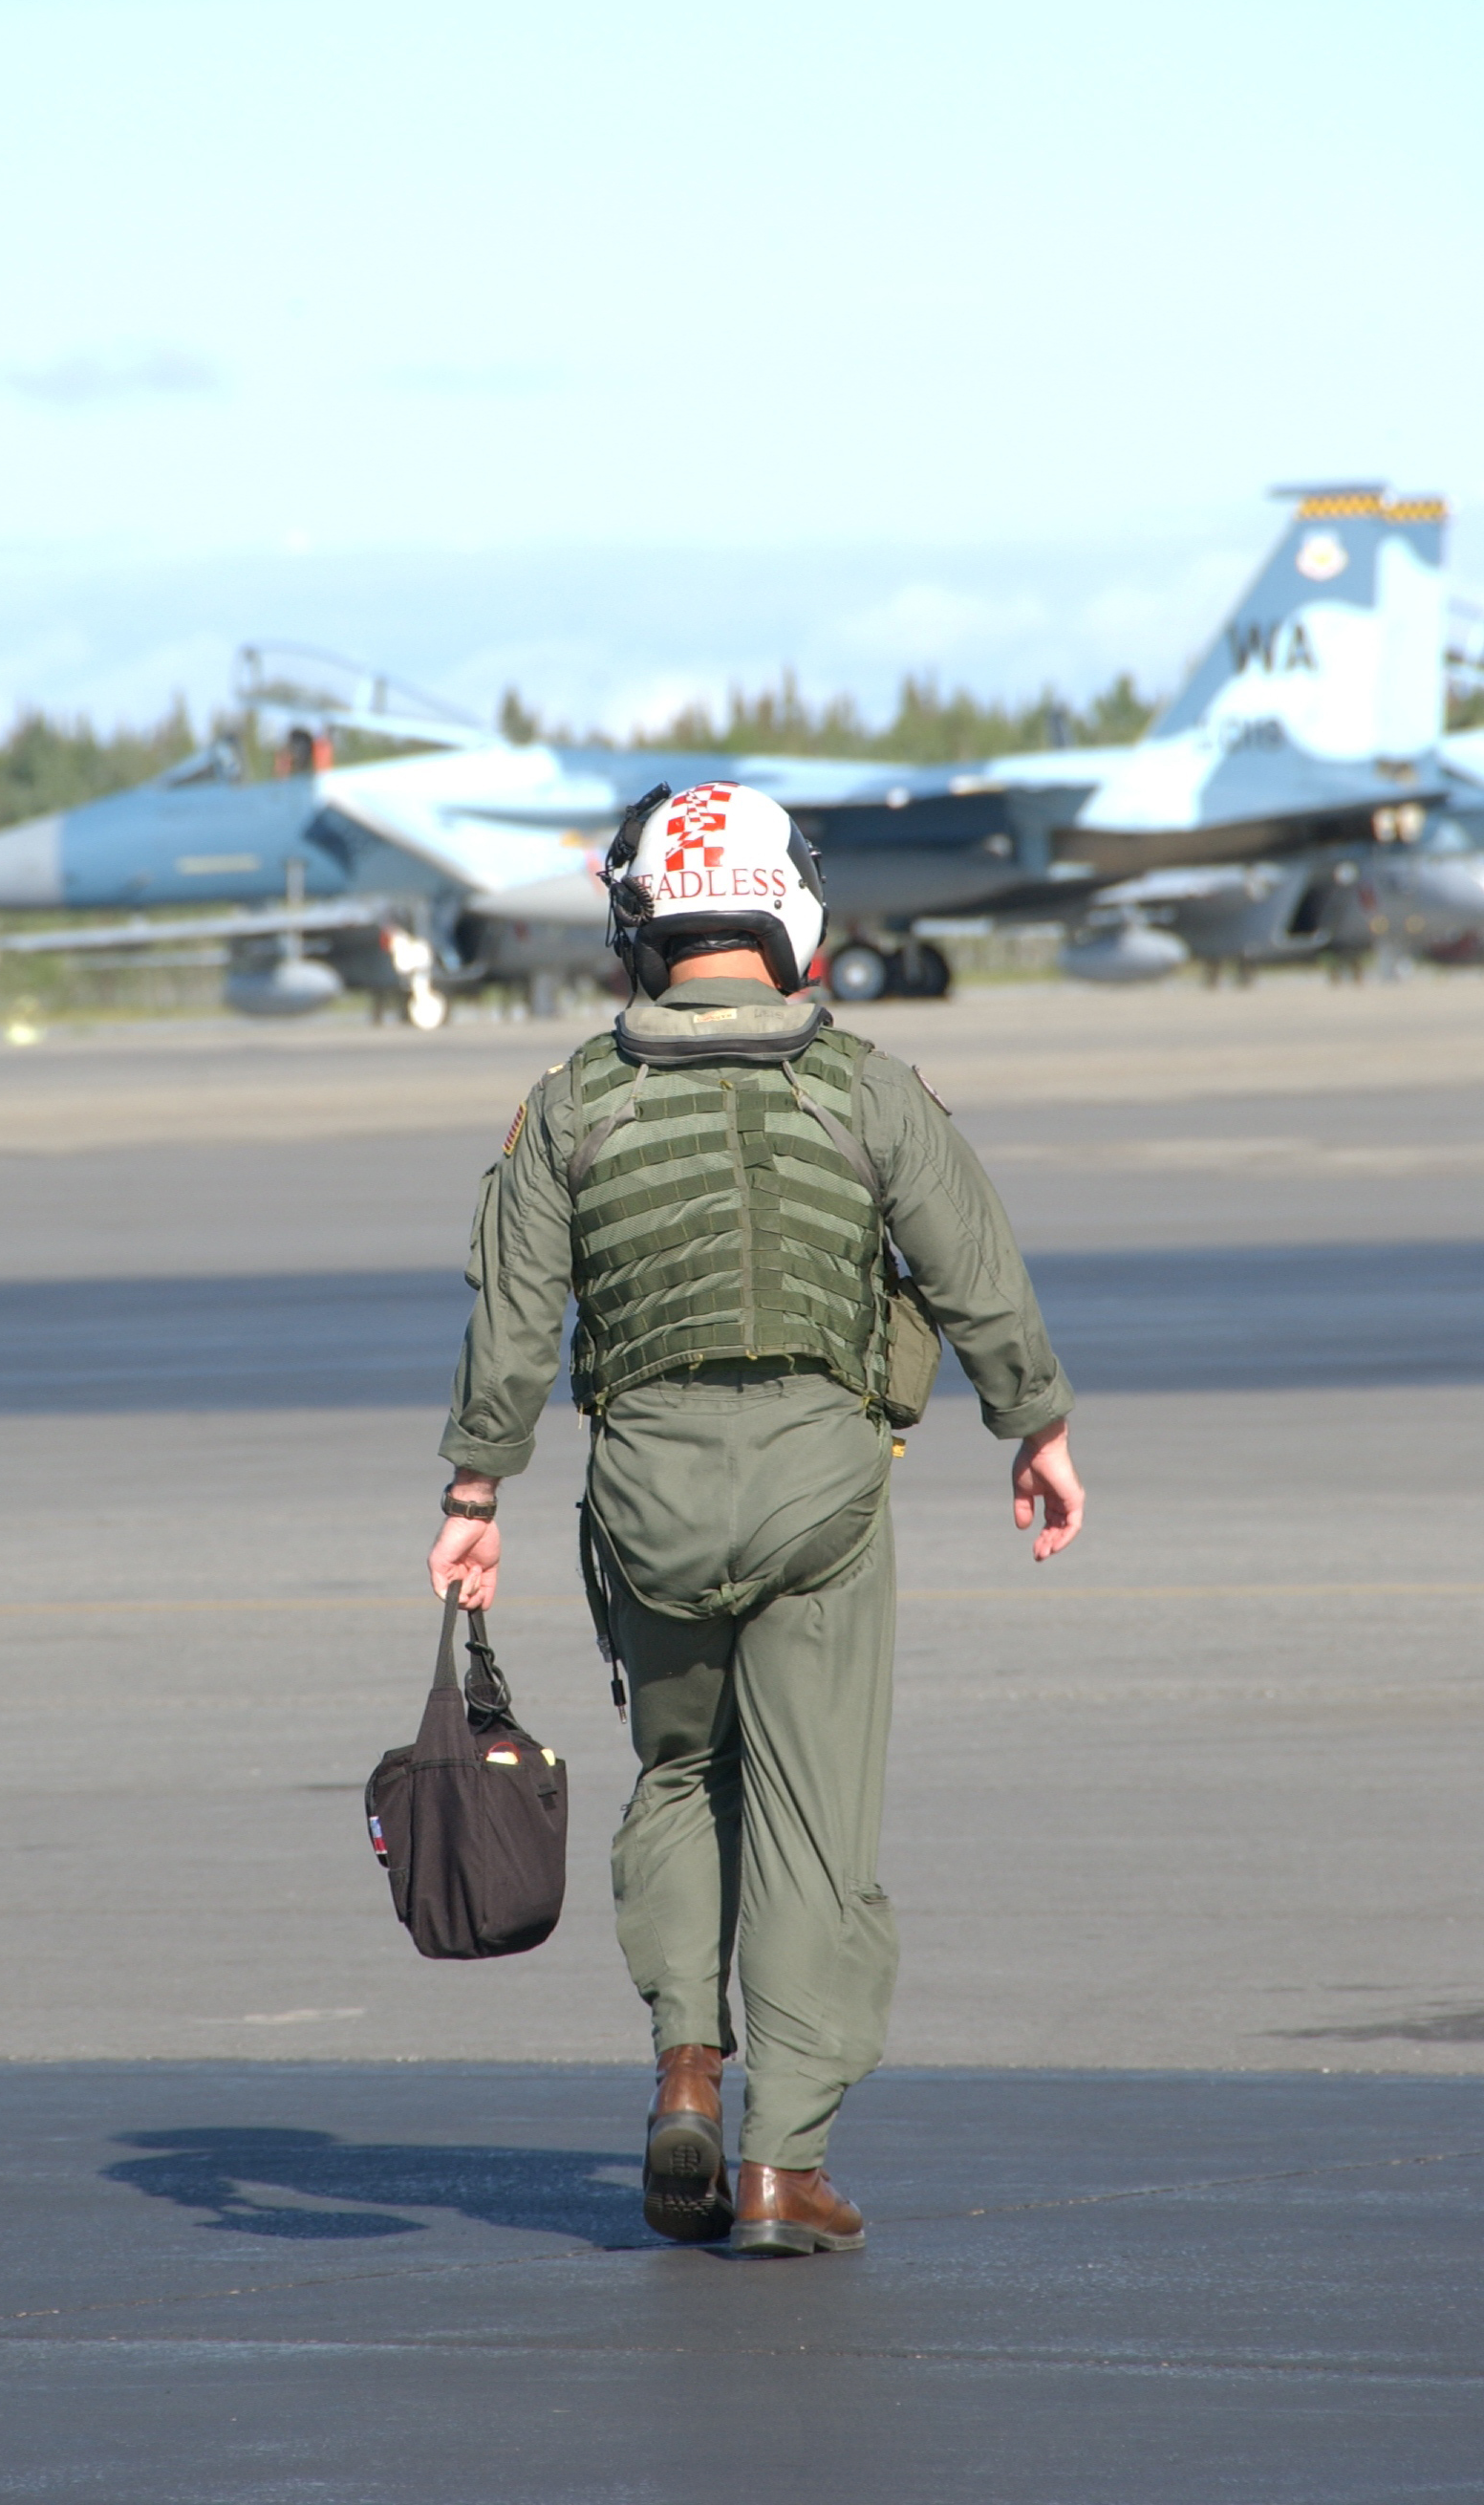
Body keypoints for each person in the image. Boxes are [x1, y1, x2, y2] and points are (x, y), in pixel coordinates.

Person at [428, 780, 1083, 2258]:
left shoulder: (570, 1104)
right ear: (792, 912)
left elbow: (516, 1333)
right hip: (822, 1494)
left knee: (679, 1780)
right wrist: (1034, 1428)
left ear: (640, 924)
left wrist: (476, 1497)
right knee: (813, 1829)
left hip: (645, 1492)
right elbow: (977, 1275)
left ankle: (684, 2068)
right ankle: (785, 2165)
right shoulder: (867, 1085)